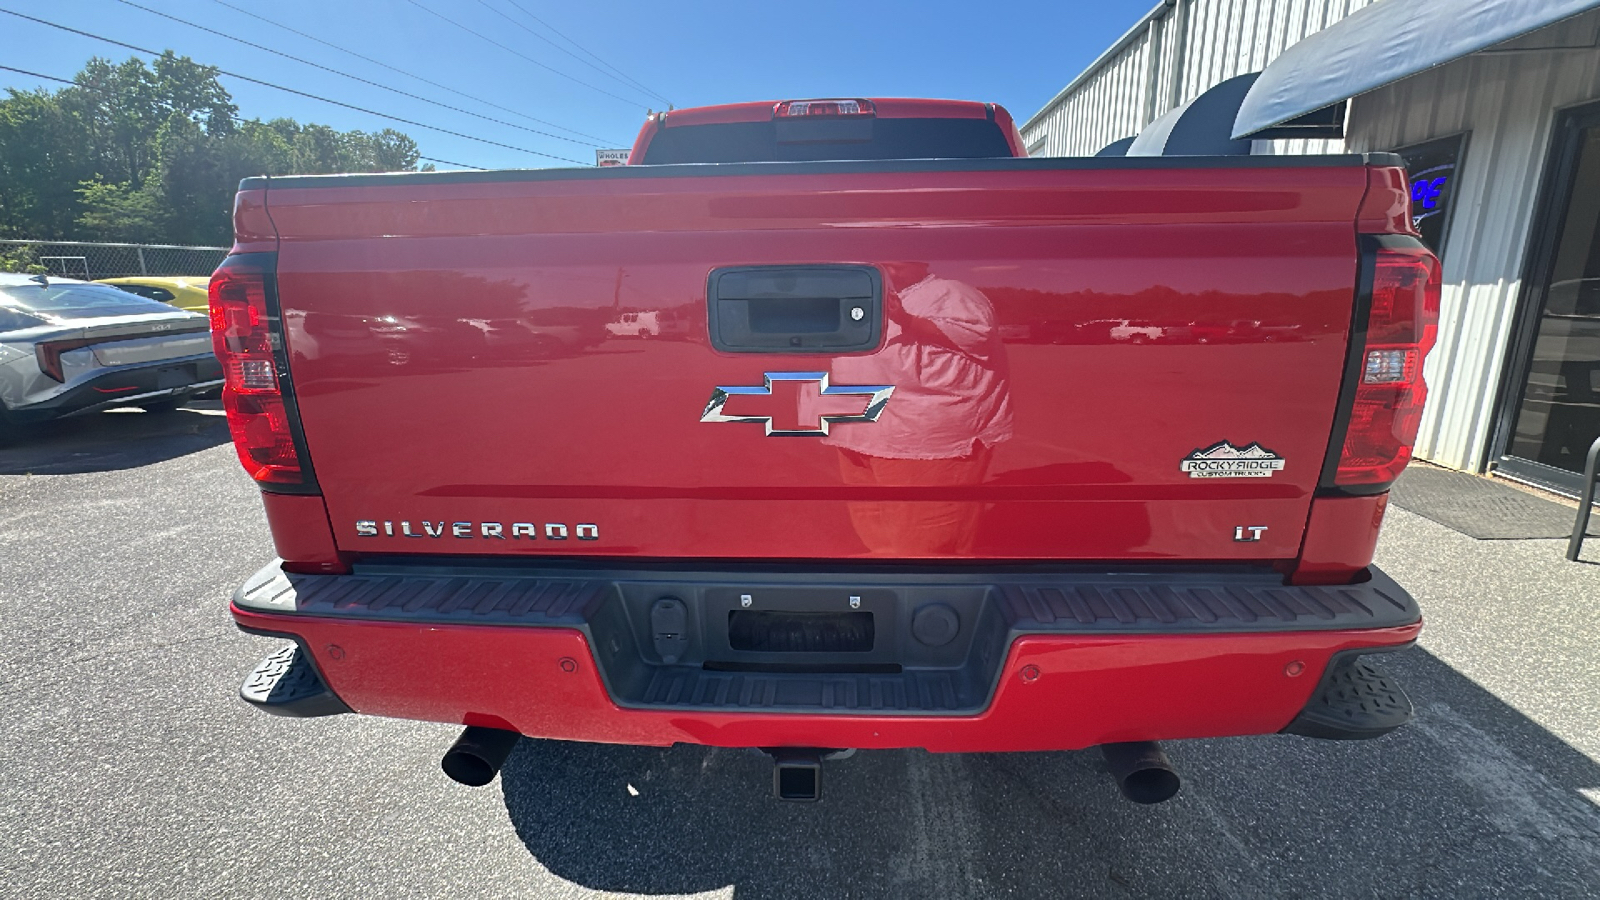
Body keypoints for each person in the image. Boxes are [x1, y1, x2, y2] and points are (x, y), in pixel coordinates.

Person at [819, 262, 1013, 555]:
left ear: (922, 259)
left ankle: (932, 593)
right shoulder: (865, 297)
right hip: (857, 431)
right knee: (876, 530)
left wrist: (907, 320)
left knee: (925, 544)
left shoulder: (952, 293)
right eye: (884, 256)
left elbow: (978, 337)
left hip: (923, 439)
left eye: (902, 253)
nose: (891, 264)